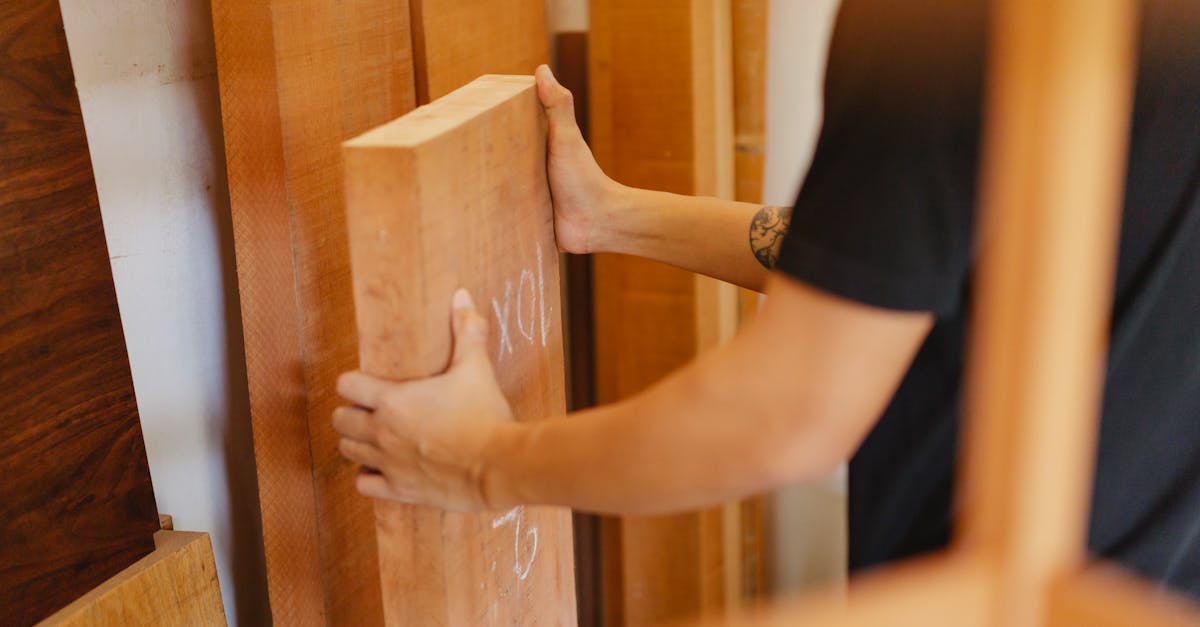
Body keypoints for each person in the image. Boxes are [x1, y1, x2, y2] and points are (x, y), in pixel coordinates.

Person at [333, 0, 1200, 598]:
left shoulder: (943, 21)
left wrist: (477, 460)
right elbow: (919, 261)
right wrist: (616, 216)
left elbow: (788, 413)